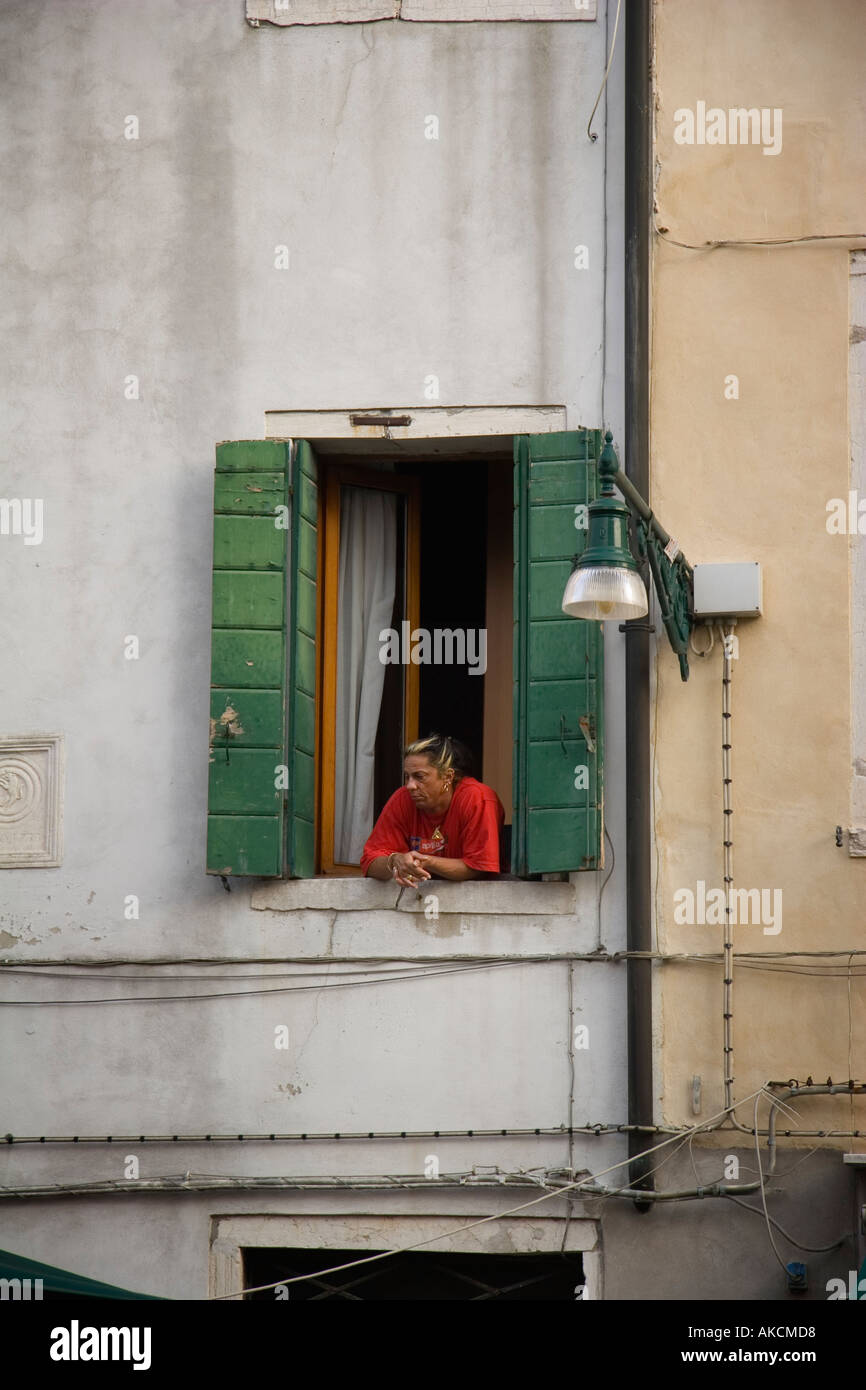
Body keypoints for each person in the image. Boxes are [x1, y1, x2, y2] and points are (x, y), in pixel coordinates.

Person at [361, 733, 505, 886]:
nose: (410, 785)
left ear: (448, 777)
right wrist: (395, 861)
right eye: (407, 777)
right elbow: (370, 862)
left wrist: (425, 861)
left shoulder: (477, 798)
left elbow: (478, 866)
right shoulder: (402, 798)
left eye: (419, 776)